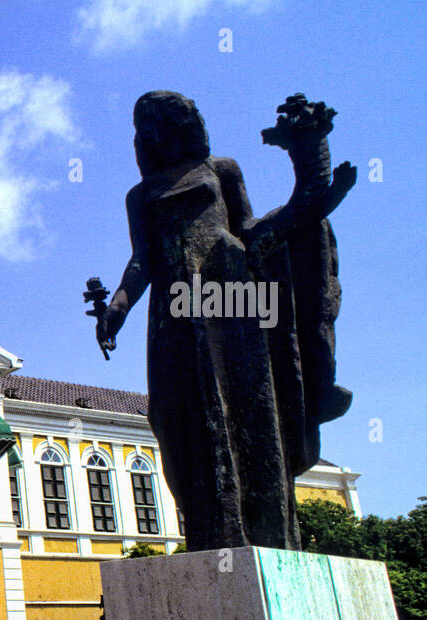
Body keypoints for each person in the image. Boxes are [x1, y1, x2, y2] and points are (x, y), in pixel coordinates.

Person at [96, 91, 353, 552]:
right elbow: (142, 261)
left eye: (164, 121)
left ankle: (265, 529)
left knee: (246, 405)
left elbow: (249, 230)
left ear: (186, 124)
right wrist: (117, 307)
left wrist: (309, 205)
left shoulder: (222, 170)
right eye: (146, 126)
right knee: (175, 414)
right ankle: (210, 528)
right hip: (173, 306)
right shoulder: (140, 195)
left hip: (229, 293)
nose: (155, 133)